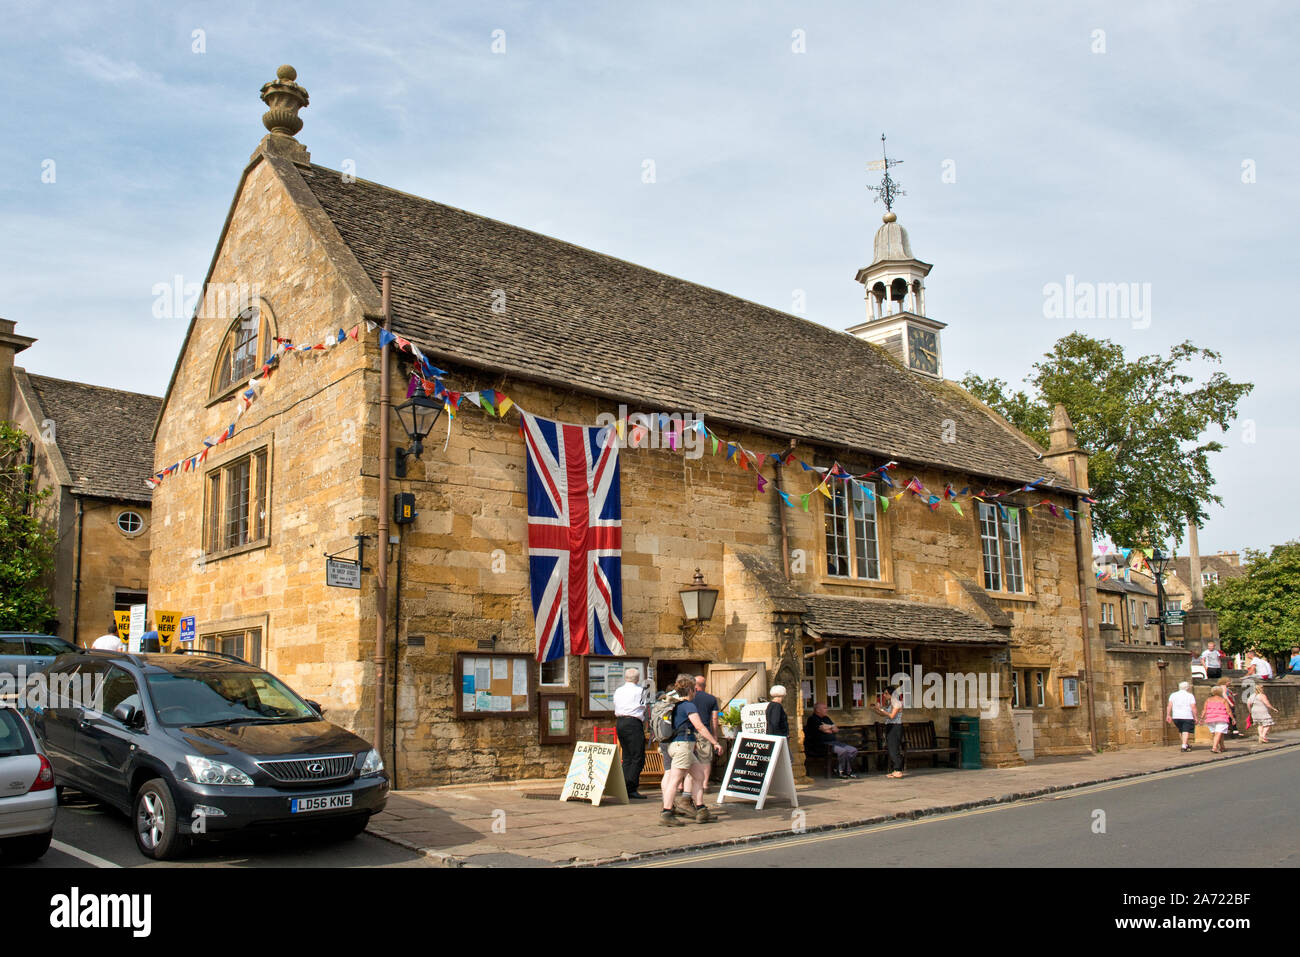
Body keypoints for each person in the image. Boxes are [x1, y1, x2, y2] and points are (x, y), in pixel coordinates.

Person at [659, 676, 722, 827]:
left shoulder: (676, 705)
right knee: (674, 781)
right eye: (694, 689)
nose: (696, 692)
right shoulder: (688, 706)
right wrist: (715, 742)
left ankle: (701, 810)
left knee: (699, 775)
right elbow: (699, 727)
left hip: (682, 746)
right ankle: (666, 813)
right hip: (682, 746)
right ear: (690, 690)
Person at [613, 667, 649, 800]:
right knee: (637, 756)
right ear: (637, 679)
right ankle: (631, 787)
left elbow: (616, 703)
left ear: (625, 678)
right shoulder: (641, 691)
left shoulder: (618, 690)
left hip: (620, 722)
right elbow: (646, 706)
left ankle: (623, 786)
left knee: (627, 756)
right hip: (633, 723)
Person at [803, 702, 860, 778]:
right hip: (821, 745)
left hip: (834, 742)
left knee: (853, 750)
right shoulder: (812, 719)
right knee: (843, 751)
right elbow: (823, 729)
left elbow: (836, 730)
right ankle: (843, 772)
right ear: (817, 710)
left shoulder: (826, 718)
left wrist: (828, 727)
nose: (827, 710)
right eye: (824, 708)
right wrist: (830, 727)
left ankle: (839, 769)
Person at [872, 682, 906, 778]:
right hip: (890, 726)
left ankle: (898, 770)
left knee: (894, 749)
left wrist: (882, 710)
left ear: (891, 694)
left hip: (895, 727)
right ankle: (895, 770)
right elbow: (884, 715)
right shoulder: (890, 703)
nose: (884, 695)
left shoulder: (897, 703)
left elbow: (891, 716)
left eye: (886, 693)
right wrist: (877, 709)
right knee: (891, 748)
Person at [1165, 681, 1197, 752]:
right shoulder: (1190, 695)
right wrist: (1195, 717)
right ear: (1187, 688)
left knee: (1181, 730)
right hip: (1187, 716)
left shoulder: (1173, 695)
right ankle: (1183, 746)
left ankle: (1185, 744)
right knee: (1185, 730)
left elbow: (1169, 705)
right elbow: (1193, 707)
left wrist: (1168, 715)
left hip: (1176, 716)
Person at [1200, 685, 1232, 753]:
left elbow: (1204, 710)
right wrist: (1233, 718)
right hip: (1221, 718)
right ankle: (1214, 748)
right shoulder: (1223, 700)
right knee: (1218, 733)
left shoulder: (1208, 700)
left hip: (1211, 719)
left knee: (1219, 733)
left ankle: (1222, 747)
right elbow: (1228, 711)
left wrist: (1202, 718)